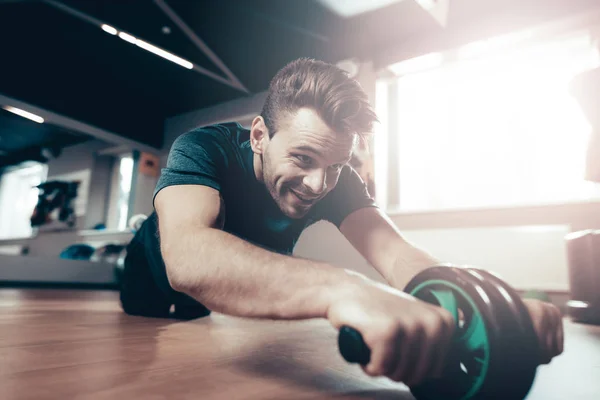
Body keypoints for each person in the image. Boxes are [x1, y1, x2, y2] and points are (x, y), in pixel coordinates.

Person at [119, 58, 563, 386]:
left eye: (335, 165)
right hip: (146, 277)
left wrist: (489, 304)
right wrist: (347, 289)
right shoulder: (201, 147)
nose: (319, 184)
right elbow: (187, 256)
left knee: (198, 346)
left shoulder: (339, 180)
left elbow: (397, 254)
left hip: (210, 295)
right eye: (303, 158)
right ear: (259, 136)